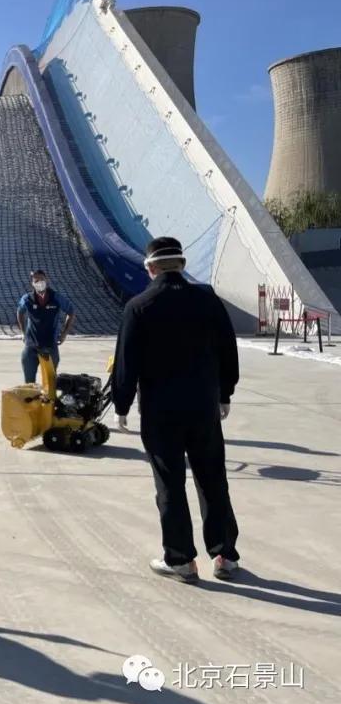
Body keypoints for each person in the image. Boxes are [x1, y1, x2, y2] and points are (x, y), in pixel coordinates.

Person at [112, 237, 241, 583]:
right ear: (182, 265)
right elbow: (229, 350)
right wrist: (224, 393)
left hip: (160, 413)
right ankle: (225, 555)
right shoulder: (207, 300)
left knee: (170, 483)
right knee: (213, 478)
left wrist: (121, 404)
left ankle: (181, 560)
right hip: (203, 407)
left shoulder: (139, 306)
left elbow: (126, 364)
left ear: (150, 268)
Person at [16, 269, 75, 383]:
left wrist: (64, 334)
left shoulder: (56, 298)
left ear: (46, 280)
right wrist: (23, 332)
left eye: (42, 279)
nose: (40, 282)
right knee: (29, 384)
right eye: (36, 280)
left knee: (50, 383)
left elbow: (71, 312)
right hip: (31, 346)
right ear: (32, 284)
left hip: (50, 346)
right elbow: (19, 312)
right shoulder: (27, 299)